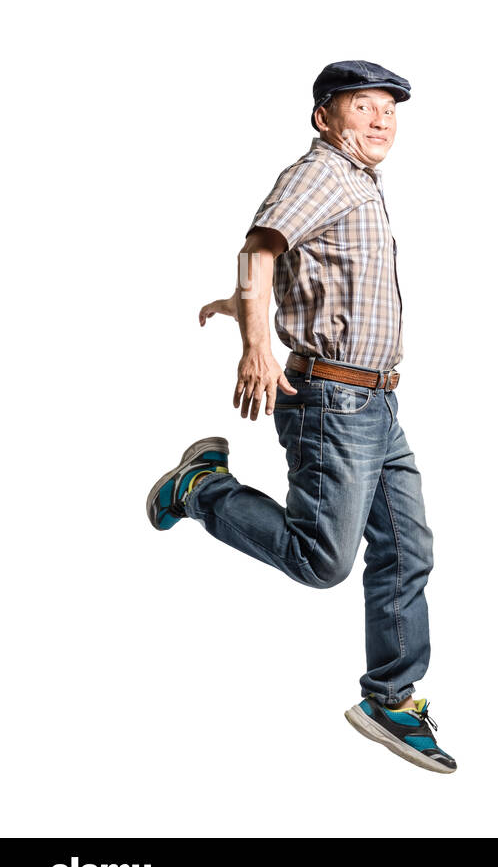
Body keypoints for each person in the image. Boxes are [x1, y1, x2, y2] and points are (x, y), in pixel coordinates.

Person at [145, 60, 455, 774]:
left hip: (379, 401)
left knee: (409, 551)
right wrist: (256, 342)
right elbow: (261, 248)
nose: (381, 120)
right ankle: (200, 490)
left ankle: (390, 698)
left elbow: (284, 265)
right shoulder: (319, 173)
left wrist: (246, 299)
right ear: (325, 118)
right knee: (322, 561)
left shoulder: (359, 184)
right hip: (332, 403)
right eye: (363, 107)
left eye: (389, 109)